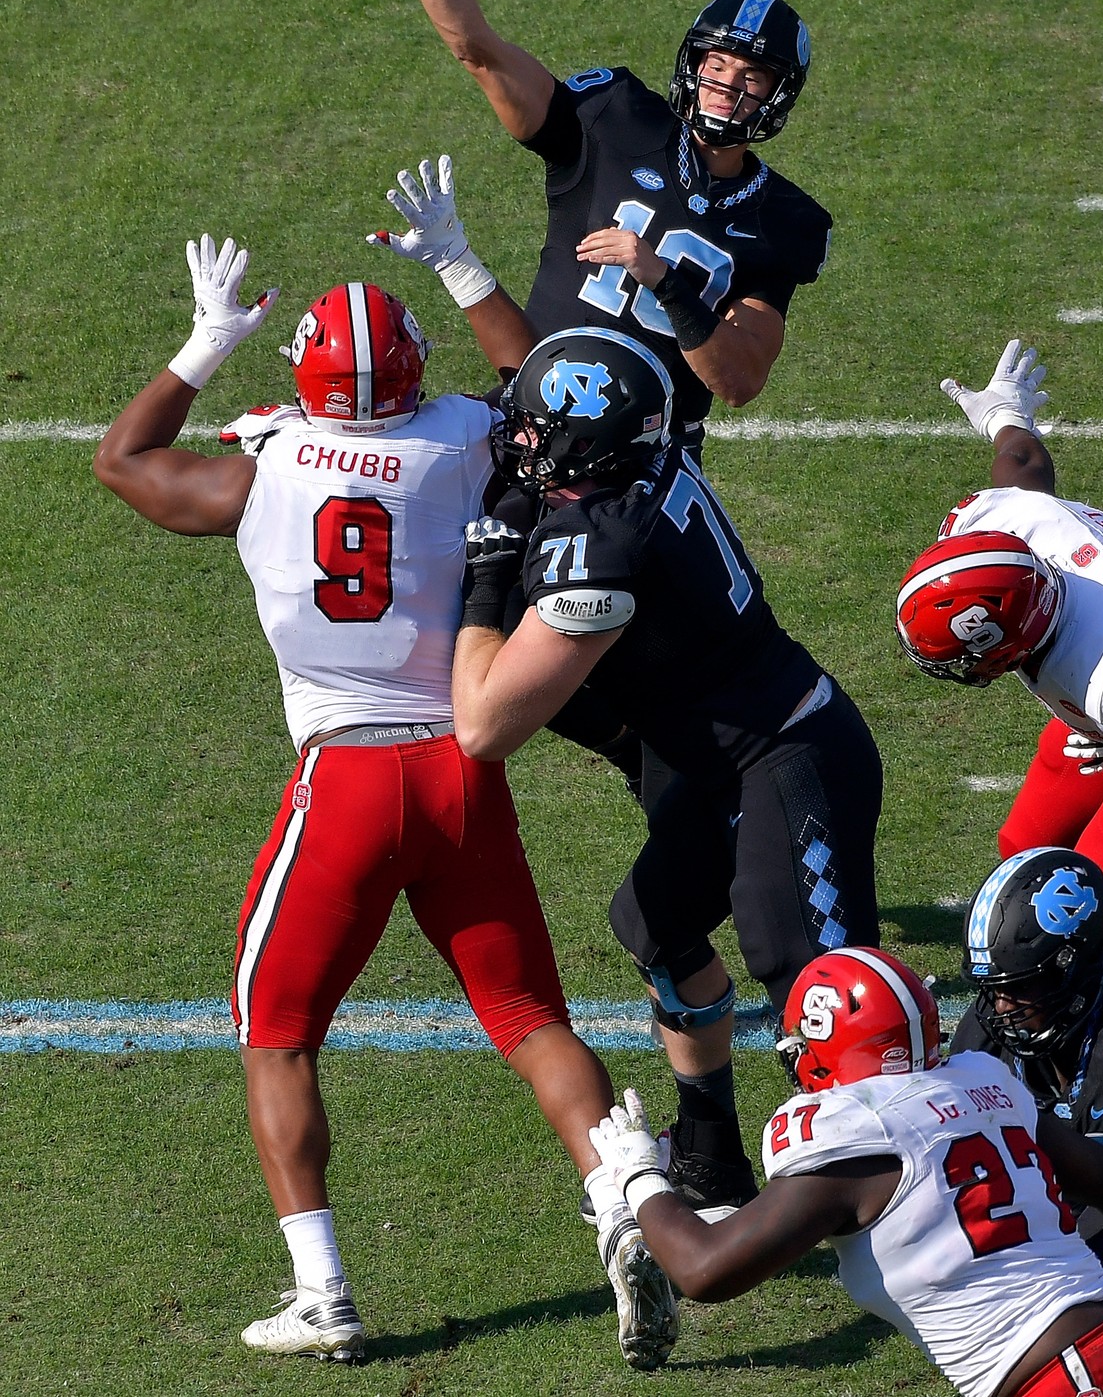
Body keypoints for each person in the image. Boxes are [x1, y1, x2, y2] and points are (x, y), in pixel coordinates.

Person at [91, 236, 678, 1371]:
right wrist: (461, 267)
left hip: (347, 780)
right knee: (530, 1015)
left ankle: (323, 1291)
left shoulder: (261, 465)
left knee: (277, 1034)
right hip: (462, 767)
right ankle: (623, 1195)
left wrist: (205, 343)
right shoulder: (470, 439)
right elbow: (549, 390)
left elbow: (124, 459)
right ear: (414, 366)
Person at [447, 323, 883, 1223]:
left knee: (831, 997)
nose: (516, 439)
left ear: (584, 448)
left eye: (534, 429)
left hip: (788, 754)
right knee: (654, 923)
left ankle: (917, 1187)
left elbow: (485, 725)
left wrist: (486, 586)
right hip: (723, 758)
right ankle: (711, 1157)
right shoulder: (631, 471)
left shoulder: (601, 543)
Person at [361, 0, 832, 441]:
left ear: (777, 94)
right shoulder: (615, 118)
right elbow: (478, 53)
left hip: (647, 456)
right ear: (692, 66)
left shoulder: (785, 219)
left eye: (751, 76)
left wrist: (663, 279)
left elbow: (739, 381)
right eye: (716, 65)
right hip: (529, 414)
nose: (725, 86)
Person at [589, 945, 1103, 1397]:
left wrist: (640, 1177)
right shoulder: (987, 1086)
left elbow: (703, 1269)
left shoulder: (852, 1148)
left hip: (1069, 1375)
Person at [894, 338, 1103, 966]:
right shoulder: (1008, 525)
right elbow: (1022, 462)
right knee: (1026, 857)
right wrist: (1005, 415)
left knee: (1093, 915)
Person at [950, 847, 1103, 1330]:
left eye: (1022, 985)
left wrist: (1094, 1257)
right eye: (994, 988)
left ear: (1078, 965)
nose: (1002, 1007)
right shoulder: (986, 1038)